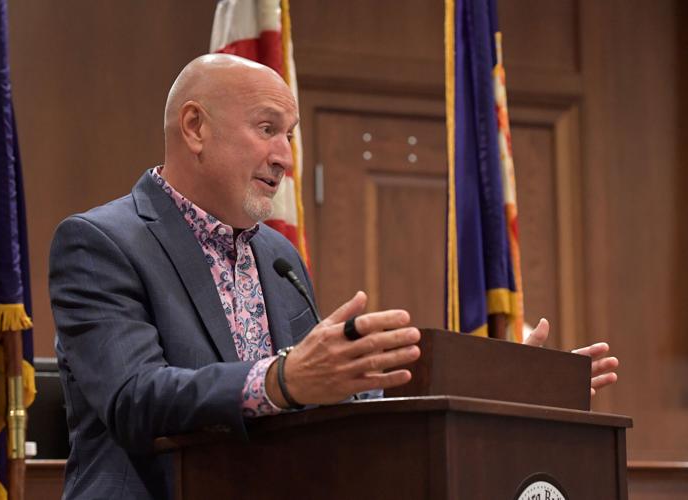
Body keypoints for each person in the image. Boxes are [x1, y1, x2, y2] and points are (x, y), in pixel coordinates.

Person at [49, 54, 618, 499]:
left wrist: (496, 384)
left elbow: (338, 392)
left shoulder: (277, 254)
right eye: (267, 128)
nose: (285, 157)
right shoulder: (101, 243)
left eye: (290, 135)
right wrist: (281, 381)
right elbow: (135, 398)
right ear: (195, 127)